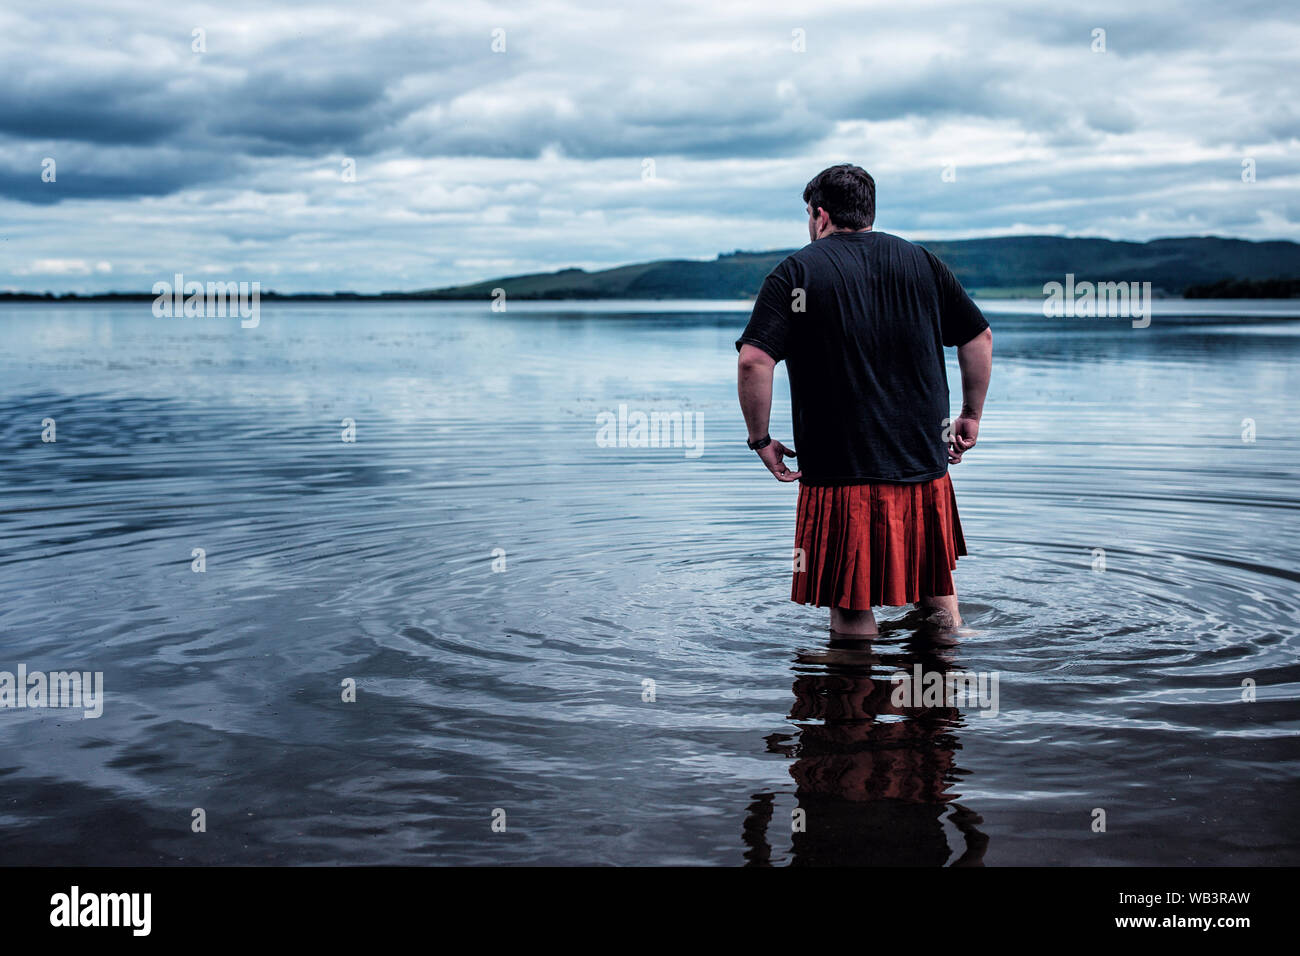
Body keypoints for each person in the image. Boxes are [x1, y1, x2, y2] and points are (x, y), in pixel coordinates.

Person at [736, 163, 993, 635]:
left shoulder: (796, 273)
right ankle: (942, 688)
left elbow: (754, 361)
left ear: (820, 215)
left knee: (850, 603)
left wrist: (761, 439)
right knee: (935, 583)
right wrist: (970, 415)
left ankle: (851, 698)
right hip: (922, 461)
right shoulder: (922, 263)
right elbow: (978, 337)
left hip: (839, 471)